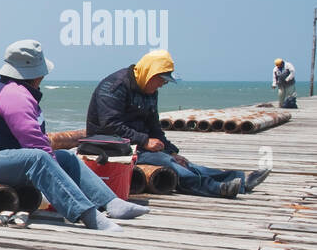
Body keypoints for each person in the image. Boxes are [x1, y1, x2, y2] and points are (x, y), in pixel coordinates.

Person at [0, 40, 148, 233]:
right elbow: (34, 143)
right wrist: (54, 173)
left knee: (66, 157)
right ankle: (88, 215)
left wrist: (55, 166)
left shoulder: (16, 90)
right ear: (38, 73)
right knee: (39, 158)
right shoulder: (14, 95)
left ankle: (111, 202)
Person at [86, 49, 268, 198]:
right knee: (167, 162)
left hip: (137, 146)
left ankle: (239, 179)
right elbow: (110, 125)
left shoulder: (150, 90)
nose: (163, 85)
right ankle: (216, 188)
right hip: (112, 148)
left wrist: (171, 149)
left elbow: (154, 127)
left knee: (181, 162)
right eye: (162, 80)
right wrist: (145, 141)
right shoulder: (114, 86)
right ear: (151, 73)